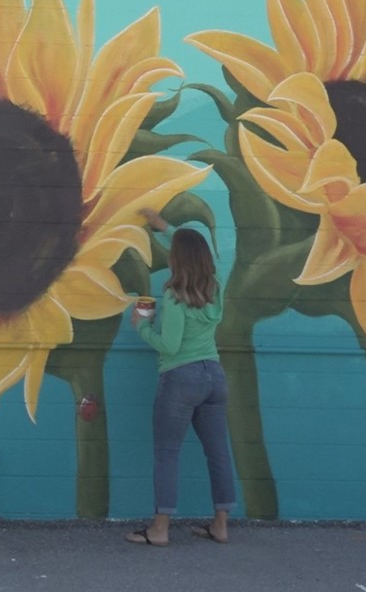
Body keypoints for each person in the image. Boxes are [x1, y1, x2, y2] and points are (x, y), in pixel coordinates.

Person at [125, 208, 235, 547]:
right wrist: (166, 227)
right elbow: (191, 248)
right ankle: (221, 525)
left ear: (178, 259)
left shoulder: (174, 296)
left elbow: (170, 346)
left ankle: (159, 529)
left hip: (182, 378)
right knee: (218, 453)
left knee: (167, 453)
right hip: (214, 377)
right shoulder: (214, 289)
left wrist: (142, 326)